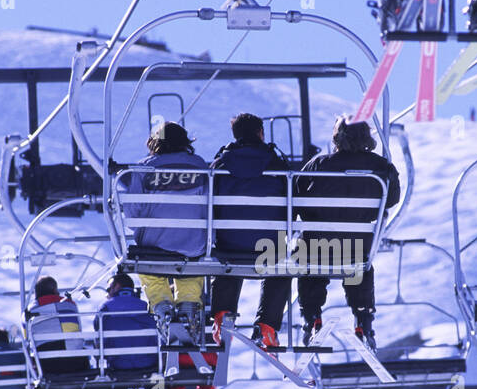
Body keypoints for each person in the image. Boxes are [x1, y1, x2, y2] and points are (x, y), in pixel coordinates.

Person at [295, 117, 401, 350]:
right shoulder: (381, 167)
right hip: (357, 247)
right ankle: (363, 319)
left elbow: (296, 198)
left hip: (317, 245)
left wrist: (313, 216)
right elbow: (391, 199)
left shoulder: (319, 165)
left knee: (310, 262)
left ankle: (312, 317)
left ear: (337, 137)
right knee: (359, 264)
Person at [209, 113, 295, 348]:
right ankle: (267, 324)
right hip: (269, 248)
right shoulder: (277, 165)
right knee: (281, 266)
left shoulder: (219, 166)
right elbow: (292, 206)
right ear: (260, 133)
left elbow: (208, 206)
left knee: (227, 259)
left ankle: (222, 314)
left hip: (230, 245)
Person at [126, 121, 209, 345]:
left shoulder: (144, 168)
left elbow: (132, 215)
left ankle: (162, 307)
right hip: (194, 245)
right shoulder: (200, 166)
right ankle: (188, 306)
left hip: (154, 246)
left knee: (149, 270)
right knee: (193, 265)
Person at [27, 275, 96, 389]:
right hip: (73, 361)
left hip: (48, 364)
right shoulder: (69, 305)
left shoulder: (29, 312)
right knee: (81, 376)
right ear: (54, 290)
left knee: (45, 384)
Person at [97, 271, 162, 389]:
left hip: (119, 365)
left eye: (108, 289)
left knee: (114, 378)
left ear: (117, 287)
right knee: (156, 377)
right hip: (148, 363)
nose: (107, 294)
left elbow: (99, 340)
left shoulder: (105, 309)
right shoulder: (147, 307)